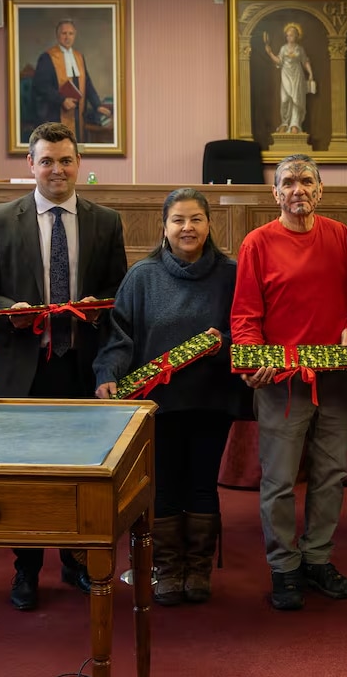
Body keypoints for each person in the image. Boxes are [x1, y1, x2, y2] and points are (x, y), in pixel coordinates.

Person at [0, 121, 128, 611]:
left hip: (81, 364)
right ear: (30, 165)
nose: (57, 169)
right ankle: (26, 567)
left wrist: (102, 306)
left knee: (81, 471)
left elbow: (121, 296)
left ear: (78, 165)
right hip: (23, 364)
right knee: (25, 474)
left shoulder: (106, 220)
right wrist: (8, 309)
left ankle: (76, 561)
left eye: (66, 160)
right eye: (47, 161)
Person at [94, 189, 251, 606]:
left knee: (201, 483)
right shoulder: (142, 276)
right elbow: (119, 333)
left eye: (196, 219)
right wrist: (107, 372)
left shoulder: (232, 274)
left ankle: (196, 569)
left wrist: (227, 343)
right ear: (164, 227)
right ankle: (166, 568)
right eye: (178, 220)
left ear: (209, 225)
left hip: (212, 397)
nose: (188, 227)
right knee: (162, 486)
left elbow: (252, 330)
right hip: (158, 403)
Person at [230, 153, 347, 611]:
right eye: (288, 182)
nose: (298, 189)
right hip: (281, 382)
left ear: (321, 189)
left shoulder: (340, 235)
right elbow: (245, 316)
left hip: (336, 378)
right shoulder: (257, 243)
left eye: (307, 180)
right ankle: (284, 566)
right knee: (280, 480)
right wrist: (253, 361)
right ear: (275, 193)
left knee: (332, 475)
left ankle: (318, 558)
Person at [31, 19, 112, 139]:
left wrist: (97, 104)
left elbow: (87, 83)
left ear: (75, 36)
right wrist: (62, 100)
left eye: (71, 34)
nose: (67, 37)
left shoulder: (78, 56)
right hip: (56, 112)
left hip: (77, 112)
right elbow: (41, 86)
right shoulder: (47, 57)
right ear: (58, 36)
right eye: (64, 33)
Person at [263, 23, 314, 134]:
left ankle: (295, 124)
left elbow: (305, 61)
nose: (289, 37)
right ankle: (285, 123)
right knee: (285, 100)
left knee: (296, 100)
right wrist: (270, 53)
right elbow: (279, 61)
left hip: (297, 76)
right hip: (285, 75)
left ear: (296, 36)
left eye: (291, 35)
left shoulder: (300, 49)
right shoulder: (283, 48)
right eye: (287, 35)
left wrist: (310, 73)